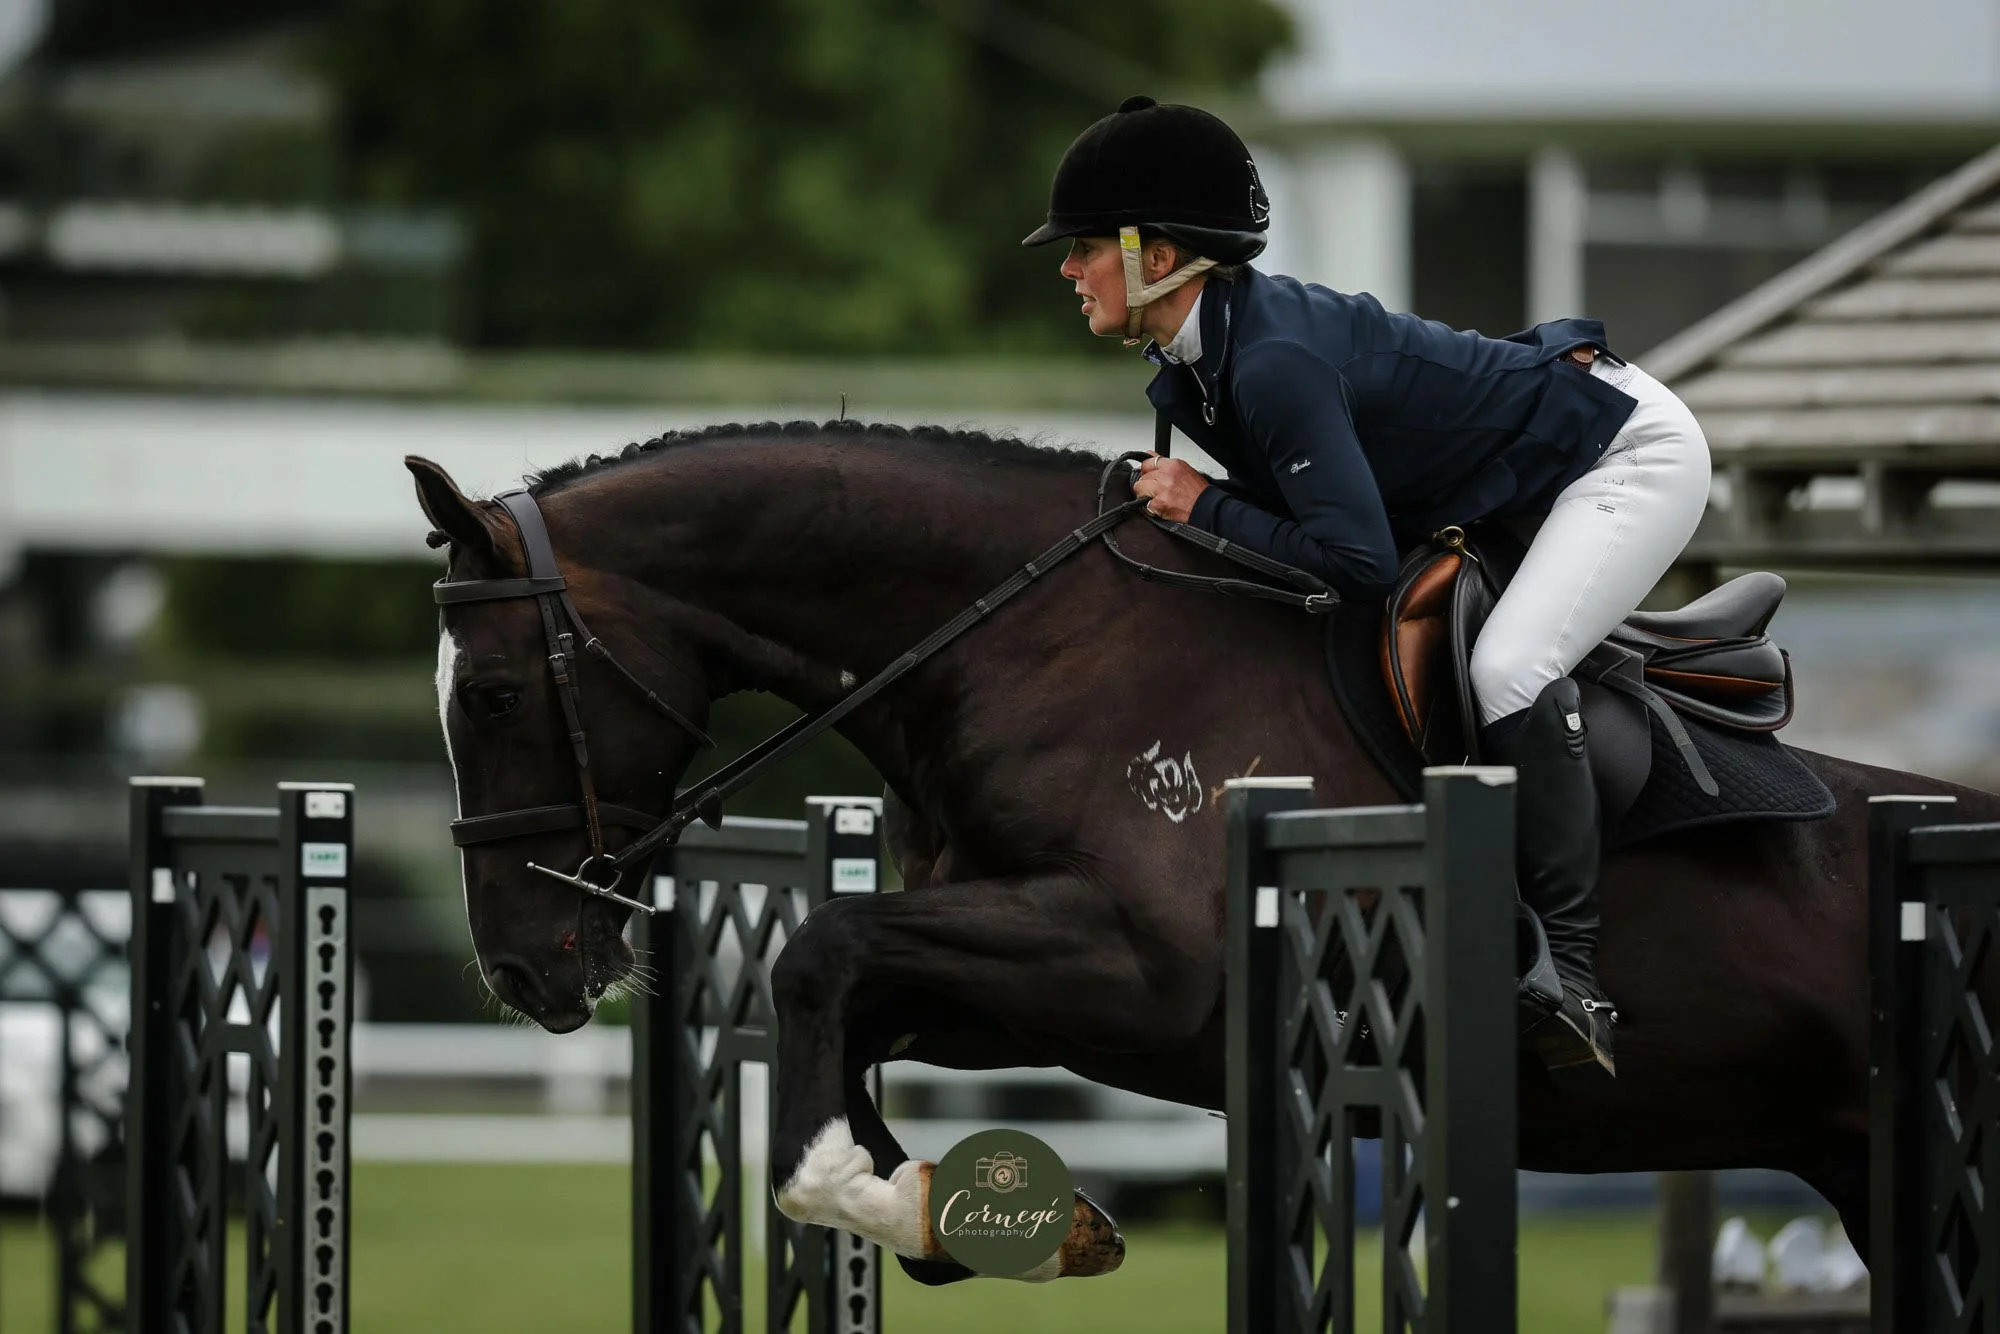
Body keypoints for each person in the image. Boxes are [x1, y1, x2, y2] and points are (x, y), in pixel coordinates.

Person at [1023, 96, 1713, 1086]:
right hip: (1511, 468)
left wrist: (1202, 506)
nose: (1065, 267)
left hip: (1620, 453)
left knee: (1508, 665)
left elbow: (1356, 565)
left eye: (1084, 246)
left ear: (1158, 256)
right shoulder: (1202, 358)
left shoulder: (1268, 364)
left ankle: (1571, 973)